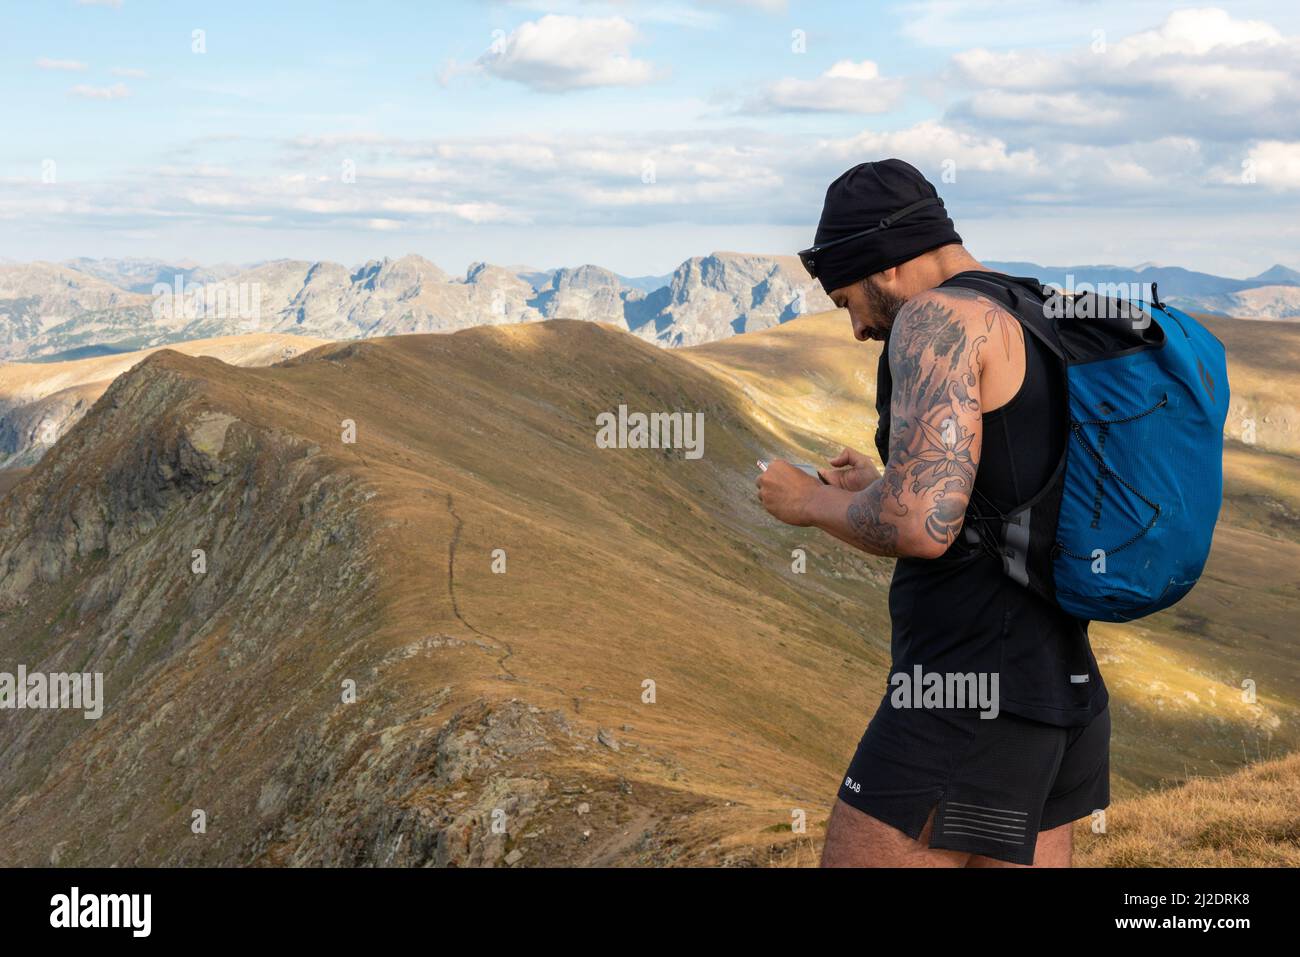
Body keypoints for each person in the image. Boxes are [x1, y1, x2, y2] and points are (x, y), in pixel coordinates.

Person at [756, 159, 1109, 867]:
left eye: (848, 299)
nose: (857, 327)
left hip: (962, 689)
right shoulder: (1028, 307)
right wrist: (882, 482)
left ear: (883, 264)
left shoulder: (934, 318)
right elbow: (995, 492)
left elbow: (921, 525)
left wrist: (810, 501)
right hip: (1055, 688)